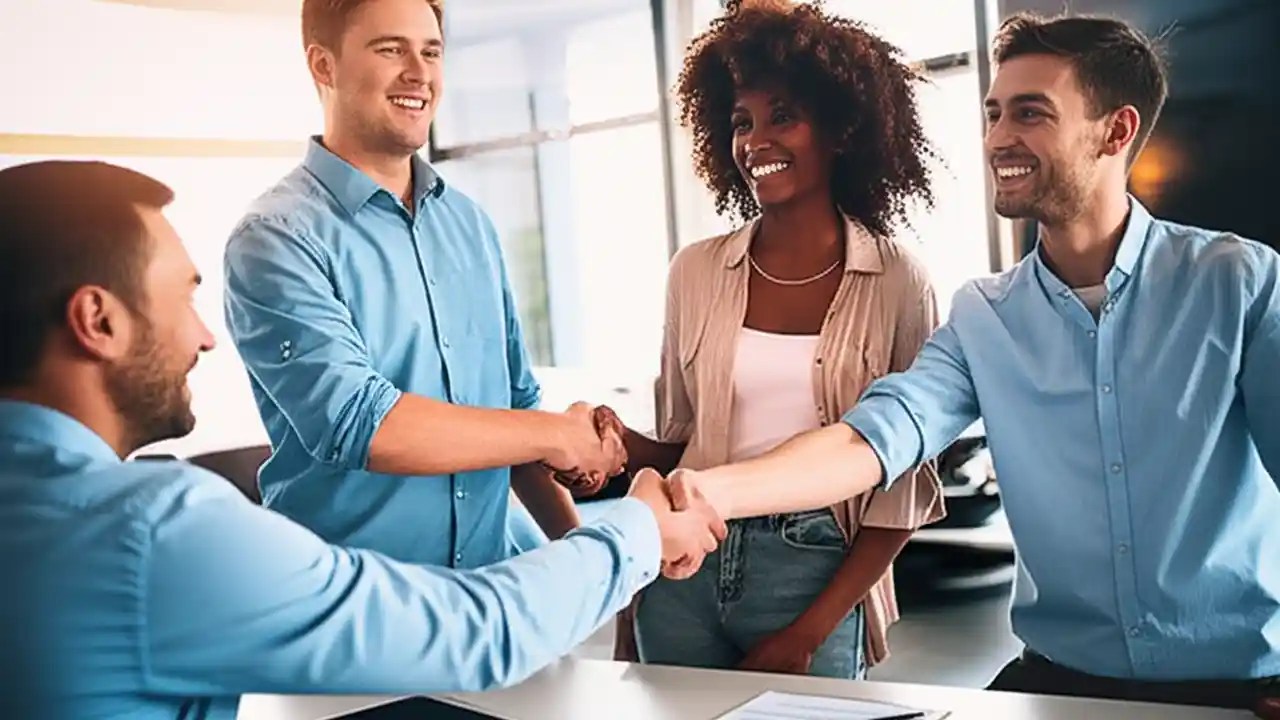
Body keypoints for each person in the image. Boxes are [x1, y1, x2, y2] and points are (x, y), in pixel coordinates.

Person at [660, 11, 1280, 716]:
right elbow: (874, 438)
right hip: (1059, 685)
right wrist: (710, 496)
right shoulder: (984, 314)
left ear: (1116, 131)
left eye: (1030, 114)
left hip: (1238, 689)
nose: (998, 139)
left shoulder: (1238, 283)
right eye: (993, 114)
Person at [0, 159, 726, 720]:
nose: (204, 336)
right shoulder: (143, 532)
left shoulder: (467, 224)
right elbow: (477, 629)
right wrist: (637, 530)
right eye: (183, 298)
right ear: (96, 320)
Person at [599, 0, 945, 679]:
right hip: (682, 567)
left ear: (842, 130)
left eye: (782, 115)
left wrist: (813, 630)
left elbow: (901, 488)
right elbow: (677, 441)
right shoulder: (694, 271)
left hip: (812, 571)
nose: (755, 140)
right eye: (740, 122)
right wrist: (609, 441)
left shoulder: (897, 280)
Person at [222, 0, 618, 572]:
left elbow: (513, 409)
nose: (419, 72)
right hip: (354, 614)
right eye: (390, 49)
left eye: (431, 52)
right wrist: (555, 434)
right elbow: (363, 425)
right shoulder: (275, 238)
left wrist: (592, 563)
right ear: (323, 66)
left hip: (490, 597)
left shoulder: (469, 224)